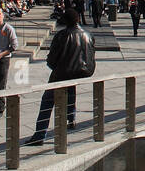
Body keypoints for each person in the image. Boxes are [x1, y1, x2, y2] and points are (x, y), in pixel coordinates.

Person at [26, 9, 95, 146]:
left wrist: (55, 66)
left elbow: (52, 59)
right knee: (70, 90)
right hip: (83, 71)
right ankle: (71, 118)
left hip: (62, 73)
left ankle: (40, 133)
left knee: (47, 101)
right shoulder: (88, 35)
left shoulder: (62, 35)